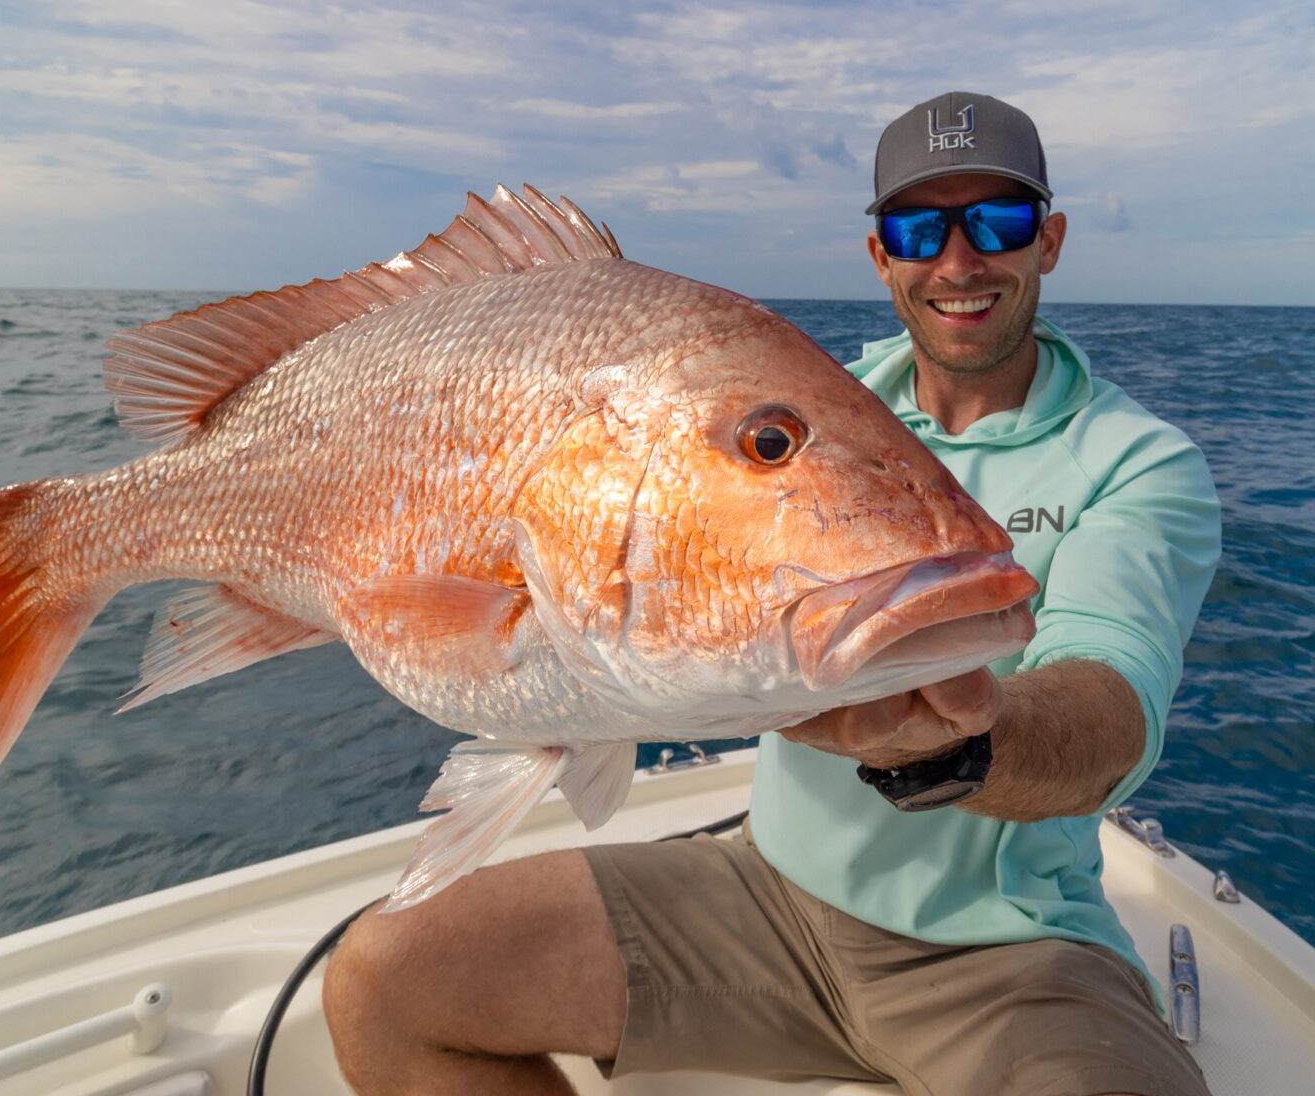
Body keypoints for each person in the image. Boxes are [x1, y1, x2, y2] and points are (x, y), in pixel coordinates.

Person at [322, 91, 1222, 1096]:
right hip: (766, 900)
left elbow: (1107, 716)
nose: (958, 262)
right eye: (921, 227)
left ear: (1047, 241)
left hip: (1005, 957)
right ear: (881, 253)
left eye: (998, 223)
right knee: (385, 983)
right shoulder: (811, 393)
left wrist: (958, 746)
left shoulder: (1140, 463)